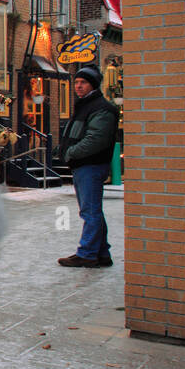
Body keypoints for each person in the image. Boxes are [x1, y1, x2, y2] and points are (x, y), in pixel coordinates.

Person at [58, 64, 119, 268]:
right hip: (83, 166)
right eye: (76, 82)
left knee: (89, 212)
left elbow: (95, 140)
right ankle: (102, 253)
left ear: (92, 85)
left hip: (90, 166)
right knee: (93, 211)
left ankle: (87, 253)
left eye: (83, 82)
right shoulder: (85, 106)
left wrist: (70, 152)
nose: (78, 86)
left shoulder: (101, 108)